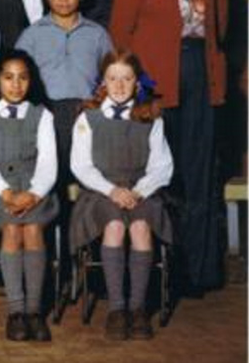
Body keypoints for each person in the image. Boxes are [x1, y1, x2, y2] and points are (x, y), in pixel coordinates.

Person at [110, 0, 228, 295]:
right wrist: (138, 88)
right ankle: (161, 274)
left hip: (200, 77)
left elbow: (221, 27)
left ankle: (198, 272)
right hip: (153, 83)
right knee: (159, 177)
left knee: (198, 174)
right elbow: (120, 35)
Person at [69, 50, 174, 340]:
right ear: (102, 82)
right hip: (100, 191)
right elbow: (81, 166)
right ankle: (117, 309)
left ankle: (137, 309)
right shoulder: (88, 118)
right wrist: (112, 191)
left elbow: (162, 167)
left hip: (142, 190)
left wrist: (138, 192)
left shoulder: (151, 118)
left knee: (140, 227)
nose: (119, 85)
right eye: (112, 78)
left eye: (126, 79)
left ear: (137, 83)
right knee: (114, 226)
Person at [0, 49, 59, 341]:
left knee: (32, 228)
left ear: (32, 81)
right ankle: (16, 312)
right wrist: (5, 192)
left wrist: (34, 194)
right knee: (11, 227)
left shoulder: (42, 115)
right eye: (8, 77)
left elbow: (48, 163)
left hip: (34, 191)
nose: (16, 85)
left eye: (22, 78)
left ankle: (34, 312)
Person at [15, 0, 113, 189]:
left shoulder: (97, 34)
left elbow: (110, 77)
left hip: (86, 112)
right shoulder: (32, 35)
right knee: (50, 176)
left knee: (85, 176)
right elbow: (18, 78)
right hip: (47, 112)